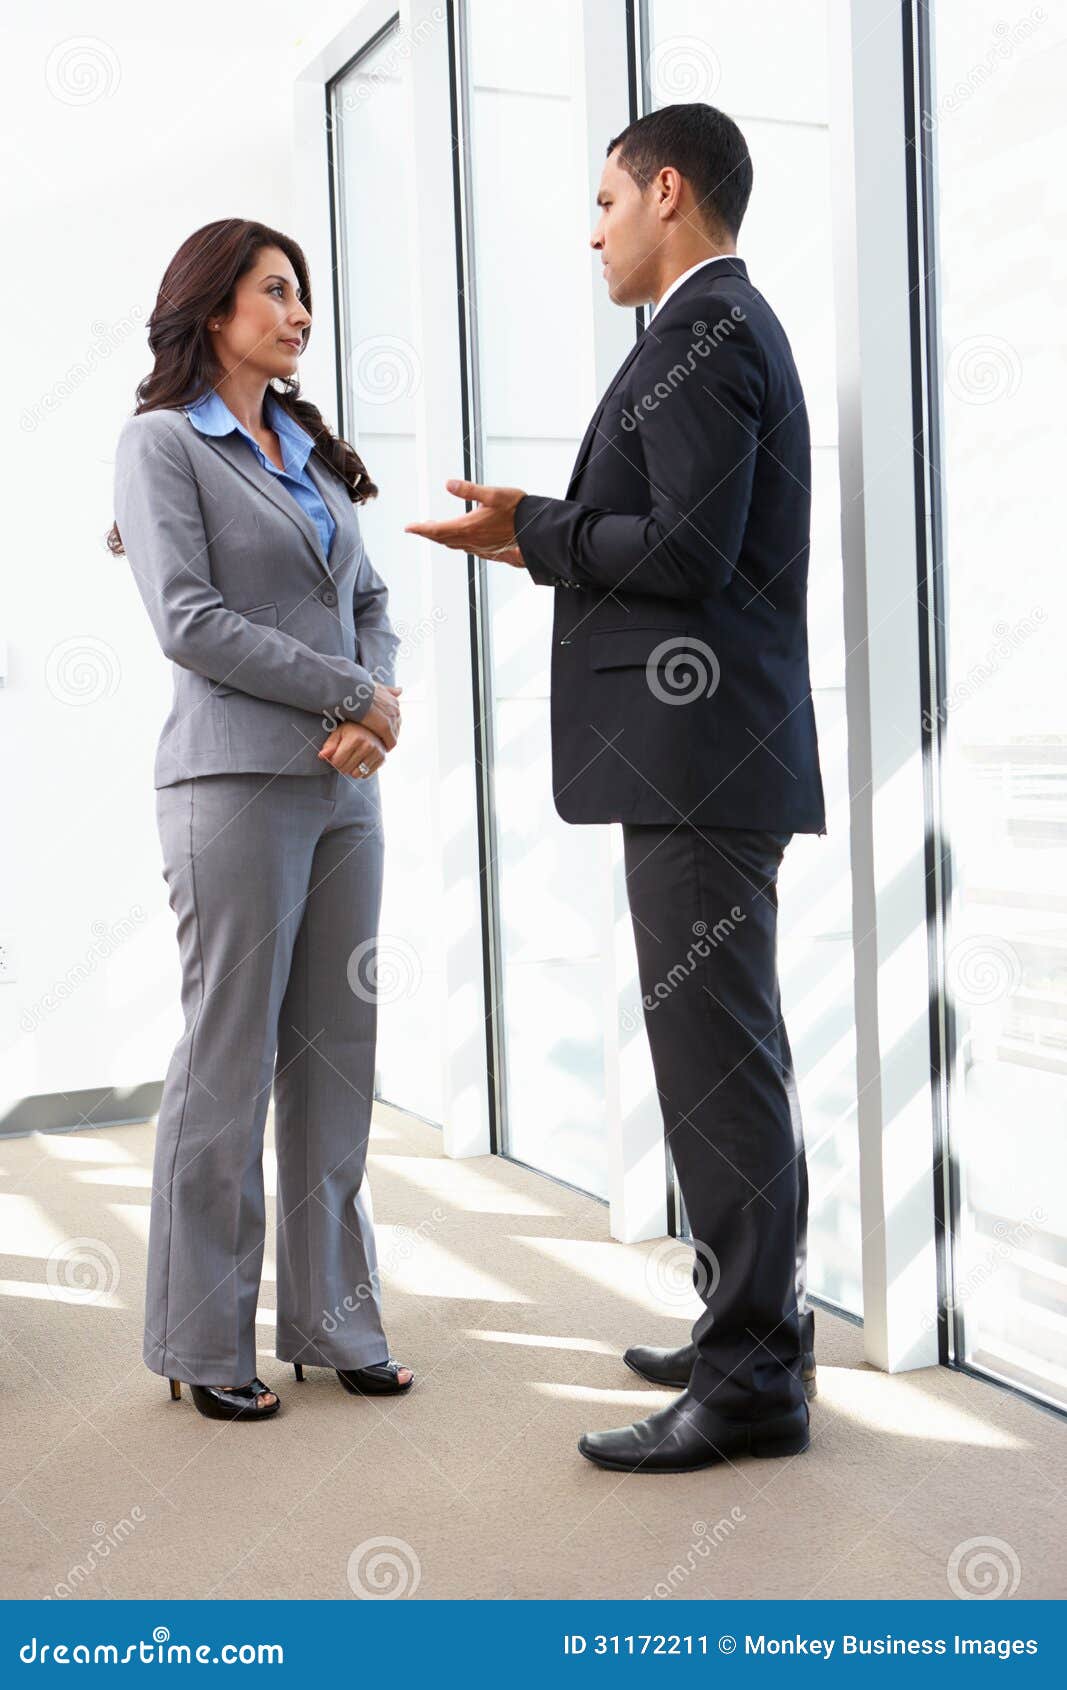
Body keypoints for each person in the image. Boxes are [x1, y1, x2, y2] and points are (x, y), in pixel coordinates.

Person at [407, 104, 825, 1472]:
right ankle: (750, 1332)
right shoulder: (713, 327)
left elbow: (690, 552)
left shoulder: (704, 333)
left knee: (718, 1066)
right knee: (724, 1059)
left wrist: (533, 529)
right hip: (713, 760)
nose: (591, 233)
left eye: (603, 202)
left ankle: (751, 1377)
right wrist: (539, 529)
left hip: (703, 768)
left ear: (666, 191)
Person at [110, 218, 414, 1421]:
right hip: (232, 786)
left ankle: (336, 1319)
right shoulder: (160, 444)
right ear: (213, 308)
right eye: (276, 292)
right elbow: (188, 619)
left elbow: (373, 601)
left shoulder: (308, 447)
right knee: (228, 1060)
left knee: (337, 1057)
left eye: (303, 294)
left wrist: (375, 705)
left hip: (345, 789)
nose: (299, 314)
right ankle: (200, 1338)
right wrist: (350, 693)